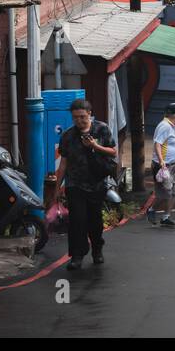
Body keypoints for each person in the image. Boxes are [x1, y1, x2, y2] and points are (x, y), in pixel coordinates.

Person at [55, 99, 118, 270]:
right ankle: (77, 255)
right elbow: (63, 164)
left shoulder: (101, 129)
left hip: (96, 183)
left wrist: (95, 146)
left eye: (82, 116)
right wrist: (57, 188)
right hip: (74, 184)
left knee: (94, 221)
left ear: (89, 114)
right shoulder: (68, 136)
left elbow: (113, 152)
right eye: (75, 117)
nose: (79, 120)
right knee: (77, 221)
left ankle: (97, 249)